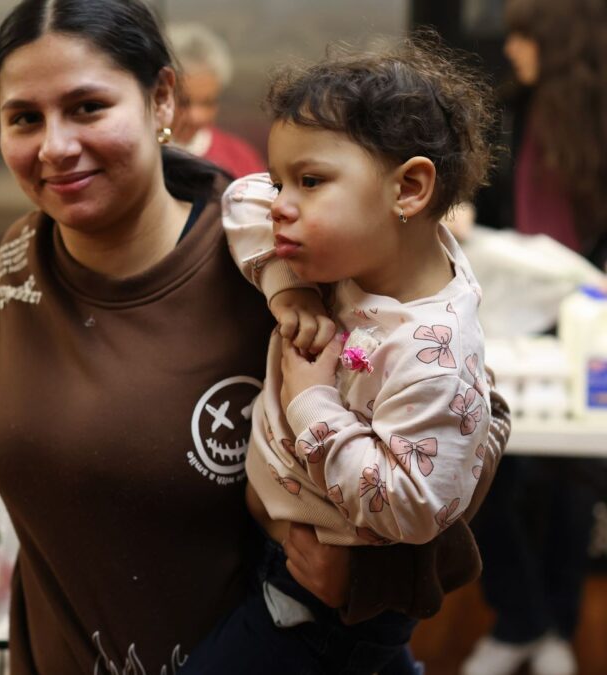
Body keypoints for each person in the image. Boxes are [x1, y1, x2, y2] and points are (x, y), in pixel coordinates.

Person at [0, 2, 510, 672]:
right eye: (25, 117)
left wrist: (368, 584)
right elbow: (26, 374)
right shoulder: (21, 252)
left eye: (87, 107)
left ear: (161, 98)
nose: (54, 145)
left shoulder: (279, 262)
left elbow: (469, 424)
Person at [184, 34, 498, 673]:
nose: (281, 208)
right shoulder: (369, 260)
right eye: (282, 180)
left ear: (408, 190)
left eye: (310, 181)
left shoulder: (430, 355)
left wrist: (312, 403)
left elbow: (410, 507)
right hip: (279, 560)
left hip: (319, 606)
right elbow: (240, 197)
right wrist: (286, 286)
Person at [462, 1, 607, 673]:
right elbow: (485, 201)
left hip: (590, 318)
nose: (510, 46)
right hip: (508, 315)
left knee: (577, 480)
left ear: (556, 39)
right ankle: (524, 619)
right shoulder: (510, 110)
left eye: (522, 34)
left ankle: (551, 625)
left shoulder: (598, 117)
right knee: (492, 463)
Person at [166, 23, 265, 178]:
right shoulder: (147, 152)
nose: (196, 116)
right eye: (183, 103)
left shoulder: (239, 156)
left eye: (208, 103)